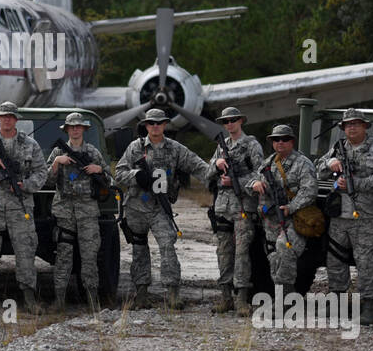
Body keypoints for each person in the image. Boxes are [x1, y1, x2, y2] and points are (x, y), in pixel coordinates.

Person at [114, 108, 217, 310]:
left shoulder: (174, 148)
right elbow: (119, 173)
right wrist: (136, 175)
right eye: (151, 123)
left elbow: (197, 165)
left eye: (159, 123)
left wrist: (216, 180)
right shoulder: (135, 147)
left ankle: (172, 293)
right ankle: (141, 294)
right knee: (139, 249)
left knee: (168, 244)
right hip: (136, 207)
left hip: (159, 207)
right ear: (145, 125)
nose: (155, 126)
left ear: (165, 125)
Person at [0, 102, 49, 313]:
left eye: (10, 116)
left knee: (25, 252)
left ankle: (30, 298)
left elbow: (42, 172)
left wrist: (26, 185)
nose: (6, 119)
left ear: (16, 119)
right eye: (3, 116)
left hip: (20, 206)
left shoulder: (29, 144)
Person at [315, 109, 373, 326]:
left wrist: (357, 184)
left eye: (356, 123)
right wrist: (329, 163)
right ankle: (337, 302)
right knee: (335, 260)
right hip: (340, 214)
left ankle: (369, 307)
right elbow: (318, 168)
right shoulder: (338, 148)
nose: (351, 127)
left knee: (368, 261)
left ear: (365, 126)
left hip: (367, 216)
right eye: (348, 124)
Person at [46, 112, 109, 310]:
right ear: (67, 130)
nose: (75, 129)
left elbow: (109, 179)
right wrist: (57, 163)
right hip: (65, 212)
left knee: (89, 256)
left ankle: (92, 300)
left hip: (87, 212)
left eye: (78, 126)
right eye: (71, 127)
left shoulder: (92, 152)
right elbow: (47, 181)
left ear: (83, 129)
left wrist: (99, 170)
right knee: (63, 256)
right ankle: (59, 300)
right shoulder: (58, 152)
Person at [250, 124, 316, 299]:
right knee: (274, 259)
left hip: (296, 219)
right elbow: (252, 181)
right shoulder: (267, 164)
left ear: (292, 142)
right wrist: (255, 184)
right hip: (272, 221)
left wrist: (291, 207)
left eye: (285, 139)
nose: (280, 142)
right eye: (276, 139)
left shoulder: (302, 163)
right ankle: (281, 297)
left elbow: (310, 191)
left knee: (284, 250)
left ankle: (286, 298)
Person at [209, 106, 264, 315]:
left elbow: (261, 175)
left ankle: (241, 299)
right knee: (223, 252)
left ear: (241, 121)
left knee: (242, 253)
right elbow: (207, 173)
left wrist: (236, 182)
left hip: (243, 207)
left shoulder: (252, 145)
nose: (229, 124)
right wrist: (217, 164)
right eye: (226, 121)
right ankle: (226, 297)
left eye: (233, 120)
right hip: (223, 207)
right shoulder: (221, 147)